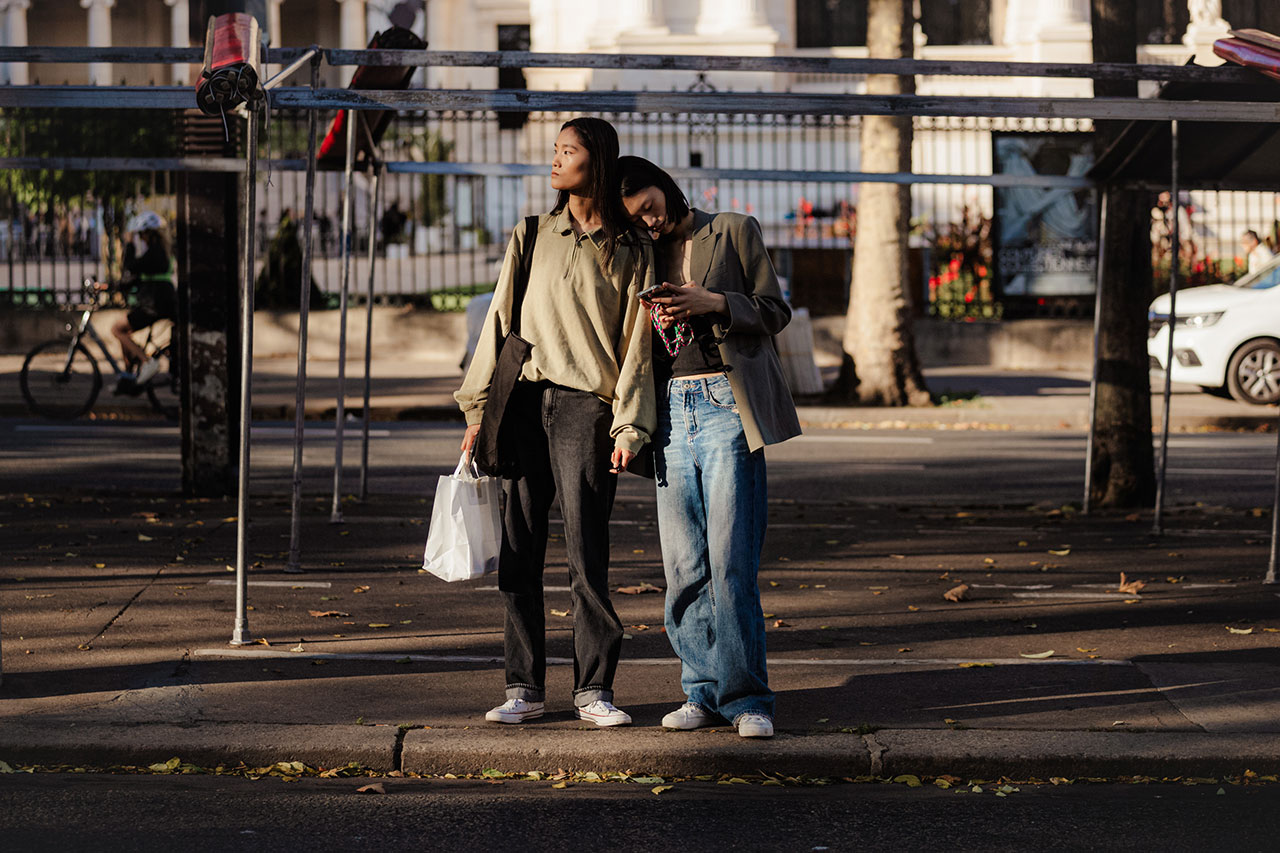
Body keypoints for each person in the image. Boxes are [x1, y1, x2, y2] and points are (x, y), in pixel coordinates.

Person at [455, 117, 656, 728]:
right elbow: (497, 324)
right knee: (520, 551)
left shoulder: (631, 250)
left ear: (595, 162)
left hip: (586, 410)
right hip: (521, 404)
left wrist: (630, 425)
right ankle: (524, 686)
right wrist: (476, 407)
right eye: (556, 150)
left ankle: (594, 690)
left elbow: (638, 346)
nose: (555, 159)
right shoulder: (533, 233)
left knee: (586, 555)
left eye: (568, 151)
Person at [617, 156, 801, 739]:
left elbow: (775, 310)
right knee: (684, 568)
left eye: (647, 207)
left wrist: (715, 303)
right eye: (634, 219)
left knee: (730, 562)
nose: (647, 223)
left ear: (662, 185)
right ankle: (700, 690)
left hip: (725, 402)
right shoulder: (638, 252)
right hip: (670, 408)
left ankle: (748, 699)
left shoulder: (734, 229)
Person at [105, 210, 176, 389]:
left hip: (154, 304)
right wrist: (110, 287)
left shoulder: (155, 252)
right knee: (124, 333)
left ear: (149, 233)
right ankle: (128, 377)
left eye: (140, 234)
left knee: (117, 329)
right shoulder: (160, 251)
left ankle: (147, 361)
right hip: (158, 301)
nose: (139, 238)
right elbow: (137, 277)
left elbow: (131, 267)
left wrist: (128, 244)